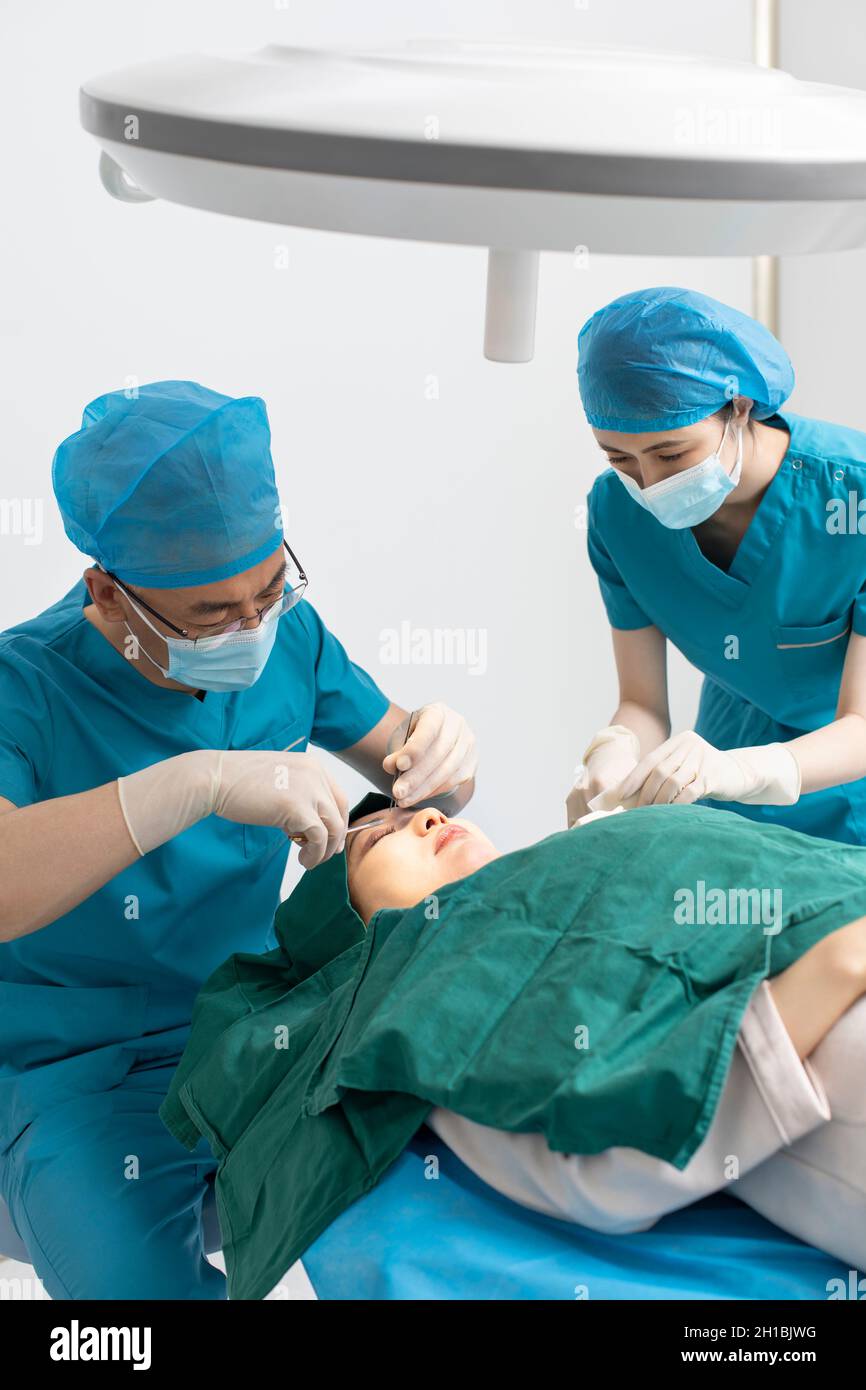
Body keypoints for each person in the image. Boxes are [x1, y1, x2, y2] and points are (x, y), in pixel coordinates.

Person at [0, 380, 478, 1300]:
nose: (253, 628)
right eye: (214, 616)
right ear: (109, 591)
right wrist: (190, 785)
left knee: (441, 1201)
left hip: (252, 1031)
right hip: (72, 1072)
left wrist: (446, 755)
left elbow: (418, 769)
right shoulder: (25, 685)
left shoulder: (289, 636)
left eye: (270, 588)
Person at [161, 795, 866, 1298]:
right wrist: (835, 970)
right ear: (354, 942)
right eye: (380, 840)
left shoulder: (559, 873)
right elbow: (600, 1164)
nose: (429, 817)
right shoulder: (417, 1003)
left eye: (418, 812)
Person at [569, 286, 866, 845]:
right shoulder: (615, 514)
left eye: (672, 454)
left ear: (740, 407)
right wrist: (614, 750)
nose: (649, 484)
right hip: (727, 784)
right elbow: (642, 702)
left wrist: (745, 771)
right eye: (618, 458)